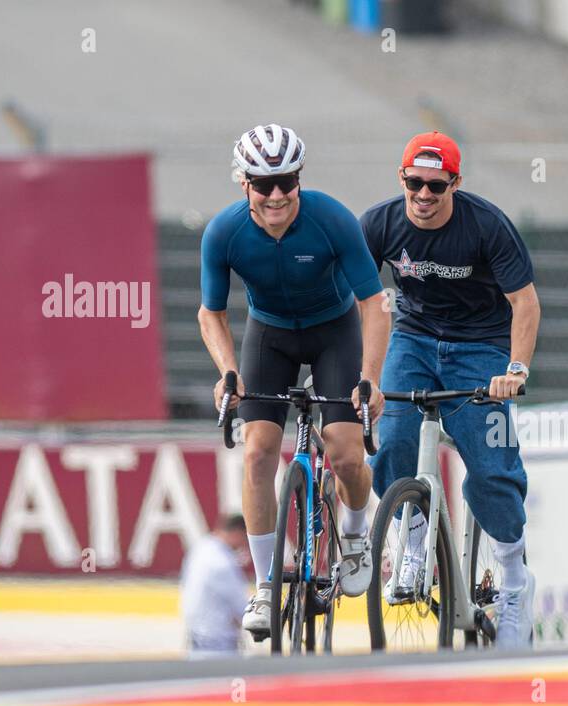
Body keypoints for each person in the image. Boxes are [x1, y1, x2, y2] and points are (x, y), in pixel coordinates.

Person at [198, 124, 389, 641]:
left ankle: (353, 535)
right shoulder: (223, 232)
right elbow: (210, 313)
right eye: (264, 184)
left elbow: (375, 305)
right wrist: (228, 373)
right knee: (259, 451)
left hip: (335, 332)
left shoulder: (332, 220)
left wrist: (369, 378)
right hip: (270, 337)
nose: (278, 194)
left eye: (287, 181)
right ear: (245, 185)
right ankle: (264, 585)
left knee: (346, 452)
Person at [359, 131, 541, 648]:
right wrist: (361, 371)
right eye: (414, 183)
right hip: (412, 341)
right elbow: (357, 297)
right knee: (390, 440)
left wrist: (516, 370)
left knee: (492, 467)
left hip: (481, 347)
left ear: (455, 184)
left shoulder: (487, 226)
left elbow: (525, 305)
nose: (423, 195)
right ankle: (413, 539)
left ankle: (513, 584)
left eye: (435, 187)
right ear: (401, 179)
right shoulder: (378, 224)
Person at [179, 514, 251, 657]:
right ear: (237, 533)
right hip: (218, 646)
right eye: (244, 538)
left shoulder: (201, 548)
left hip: (196, 640)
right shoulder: (222, 563)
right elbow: (243, 608)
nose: (244, 544)